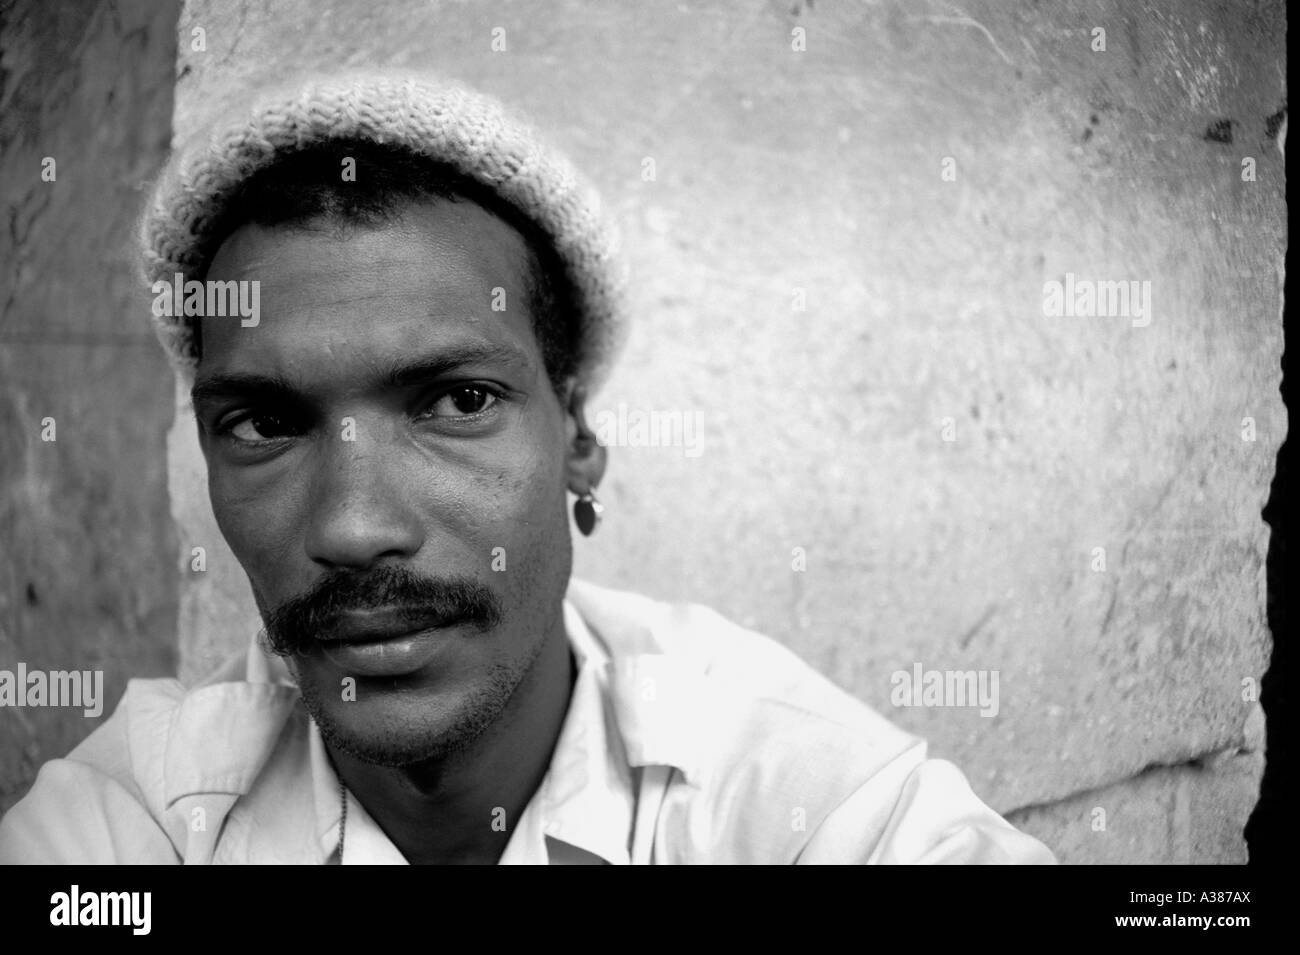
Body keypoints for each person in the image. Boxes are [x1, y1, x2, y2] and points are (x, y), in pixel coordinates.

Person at [0, 72, 1055, 864]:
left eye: (456, 401)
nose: (355, 526)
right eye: (266, 422)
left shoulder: (795, 799)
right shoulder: (137, 823)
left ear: (578, 442)